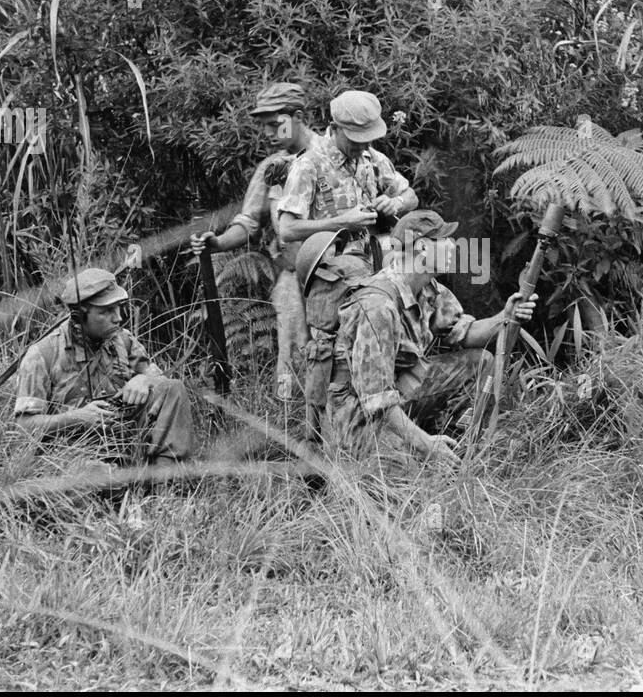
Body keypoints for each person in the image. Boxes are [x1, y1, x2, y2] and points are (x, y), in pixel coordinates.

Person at [327, 210, 536, 469]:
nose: (452, 245)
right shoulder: (377, 307)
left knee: (480, 361)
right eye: (445, 239)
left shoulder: (429, 287)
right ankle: (423, 446)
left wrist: (506, 316)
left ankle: (462, 443)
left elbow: (466, 333)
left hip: (399, 390)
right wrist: (427, 445)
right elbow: (377, 400)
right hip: (359, 414)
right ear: (423, 247)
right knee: (408, 479)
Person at [277, 90, 419, 438]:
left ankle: (382, 429)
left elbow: (411, 195)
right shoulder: (309, 165)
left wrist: (394, 203)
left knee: (377, 356)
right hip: (328, 281)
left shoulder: (372, 160)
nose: (360, 146)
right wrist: (342, 222)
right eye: (355, 139)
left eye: (367, 139)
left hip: (371, 273)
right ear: (334, 127)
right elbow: (287, 229)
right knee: (331, 364)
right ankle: (318, 444)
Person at [190, 82, 319, 400]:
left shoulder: (335, 156)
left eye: (276, 124)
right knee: (292, 354)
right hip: (292, 277)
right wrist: (218, 242)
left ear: (298, 116)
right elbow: (248, 222)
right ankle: (294, 423)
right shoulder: (271, 168)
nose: (269, 133)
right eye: (265, 126)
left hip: (337, 275)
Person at [13, 268, 193, 466]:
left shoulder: (122, 340)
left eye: (118, 307)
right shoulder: (42, 355)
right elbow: (24, 427)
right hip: (74, 452)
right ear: (80, 315)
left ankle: (166, 483)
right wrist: (76, 418)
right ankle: (123, 482)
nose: (118, 317)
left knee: (173, 388)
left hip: (126, 438)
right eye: (106, 311)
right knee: (94, 475)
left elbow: (162, 384)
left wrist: (143, 380)